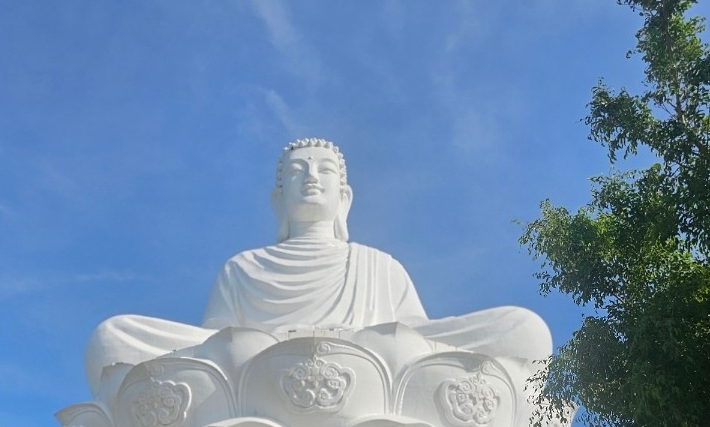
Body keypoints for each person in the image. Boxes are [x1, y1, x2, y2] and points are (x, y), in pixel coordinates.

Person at [83, 138, 552, 396]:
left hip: (376, 367)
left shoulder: (379, 266)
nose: (310, 178)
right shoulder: (243, 268)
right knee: (114, 338)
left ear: (344, 197)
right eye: (296, 172)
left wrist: (365, 343)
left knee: (523, 330)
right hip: (254, 373)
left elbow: (414, 338)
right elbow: (216, 347)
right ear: (277, 199)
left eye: (324, 170)